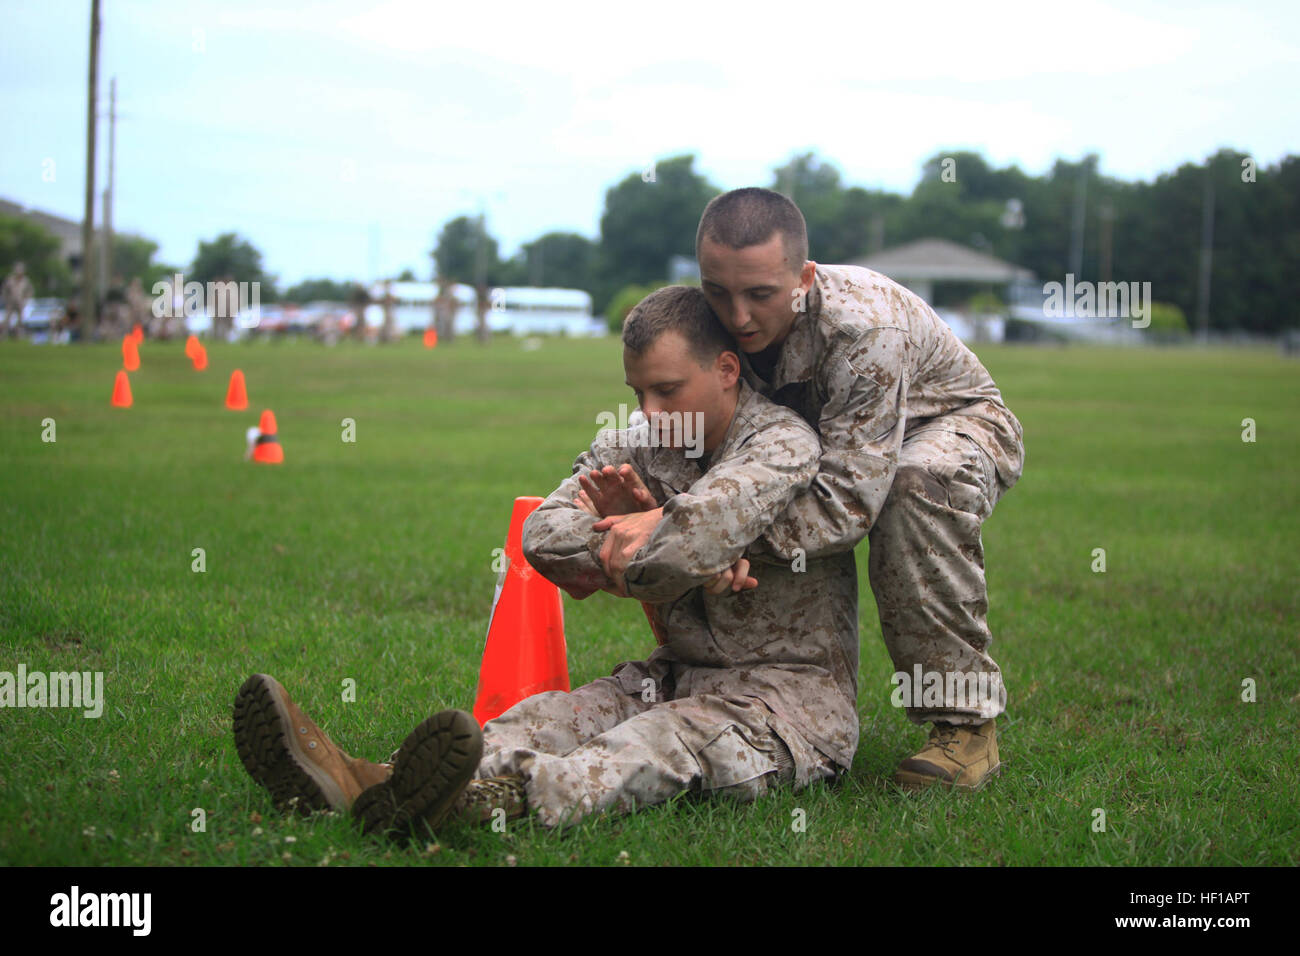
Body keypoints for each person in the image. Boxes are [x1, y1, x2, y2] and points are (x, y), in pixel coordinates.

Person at [233, 285, 860, 835]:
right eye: (638, 392)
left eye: (668, 391)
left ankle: (485, 802)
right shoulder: (634, 443)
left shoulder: (780, 441)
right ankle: (370, 781)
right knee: (545, 717)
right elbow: (542, 533)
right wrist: (626, 544)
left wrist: (680, 548)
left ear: (726, 369)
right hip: (673, 675)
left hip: (781, 703)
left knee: (648, 746)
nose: (649, 413)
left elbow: (695, 538)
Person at [667, 187, 1023, 791]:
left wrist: (711, 542)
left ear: (803, 276)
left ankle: (965, 727)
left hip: (947, 424)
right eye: (717, 291)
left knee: (914, 485)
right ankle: (770, 694)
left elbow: (847, 504)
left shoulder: (865, 332)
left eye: (760, 294)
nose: (737, 316)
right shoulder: (710, 319)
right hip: (827, 434)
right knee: (760, 510)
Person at [2, 262, 34, 338]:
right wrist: (5, 299)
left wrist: (26, 299)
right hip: (10, 302)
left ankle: (17, 334)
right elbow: (4, 290)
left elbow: (30, 290)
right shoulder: (10, 279)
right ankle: (4, 334)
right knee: (7, 319)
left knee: (20, 320)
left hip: (20, 302)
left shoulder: (25, 280)